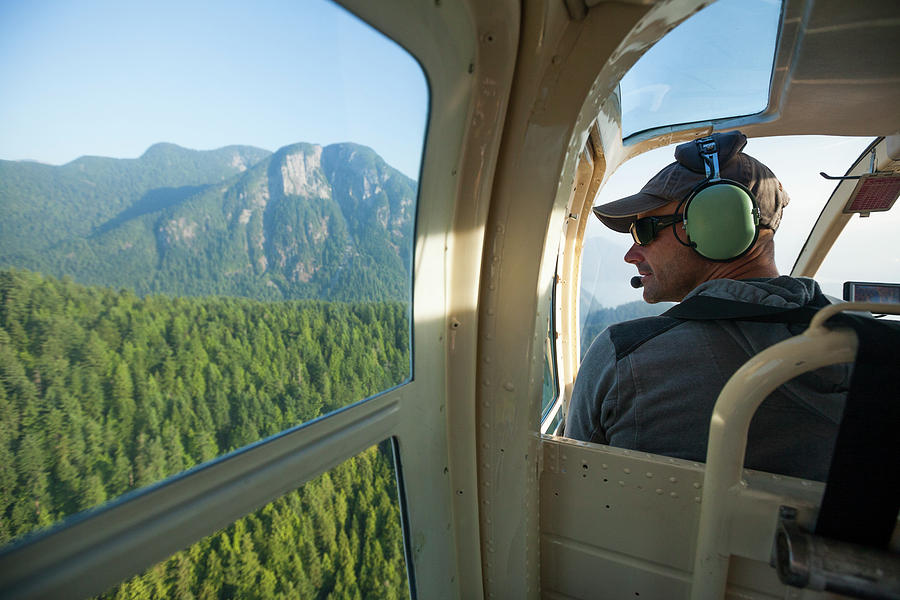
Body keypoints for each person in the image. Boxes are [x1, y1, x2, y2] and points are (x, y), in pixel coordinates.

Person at [565, 131, 849, 481]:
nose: (630, 254)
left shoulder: (623, 360)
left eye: (646, 230)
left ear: (718, 223)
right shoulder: (864, 343)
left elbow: (569, 491)